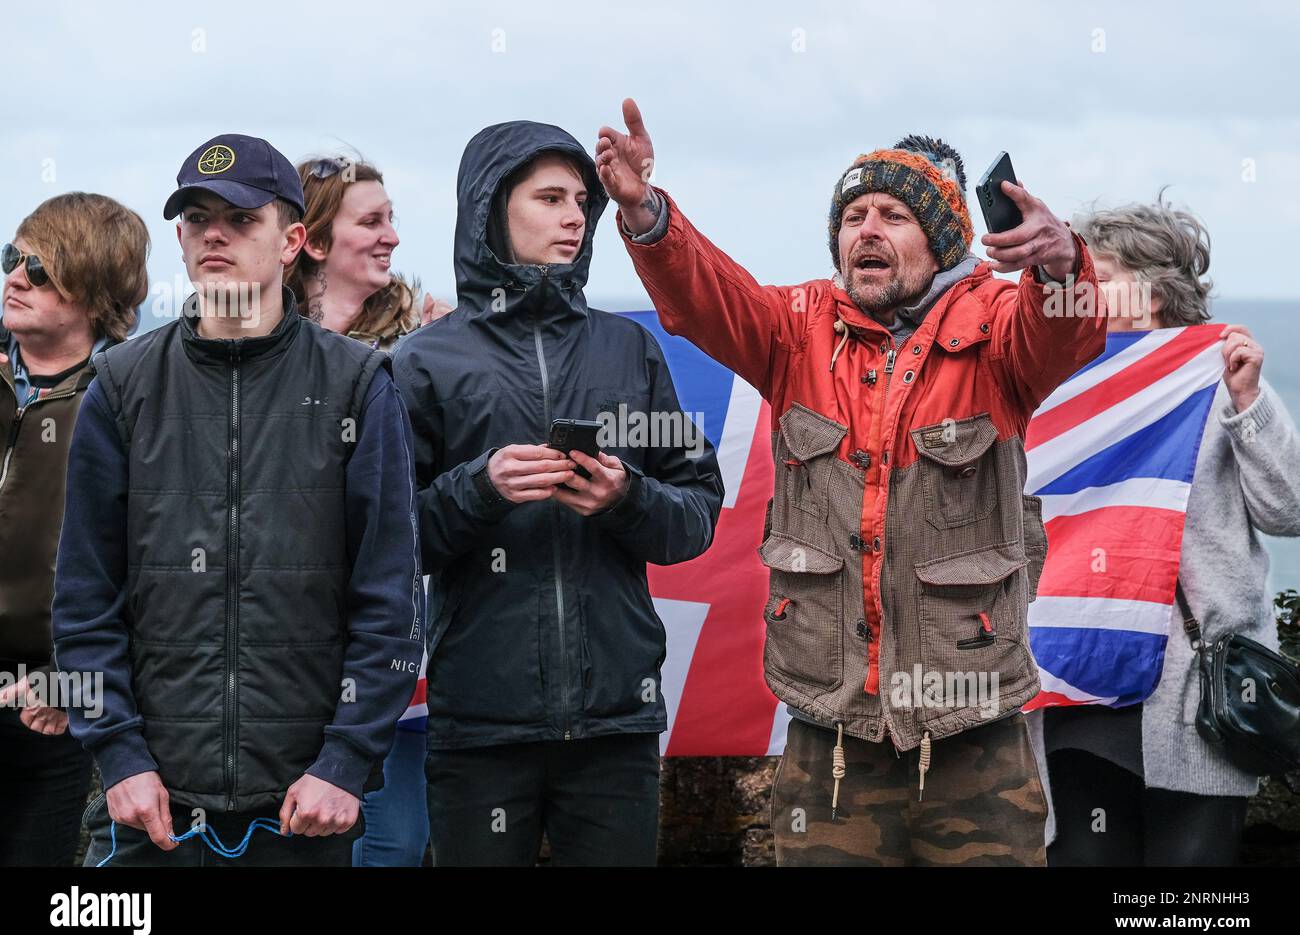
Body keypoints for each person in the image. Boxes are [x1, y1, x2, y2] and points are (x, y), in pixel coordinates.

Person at [597, 98, 1105, 866]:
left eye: (894, 215)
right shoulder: (793, 329)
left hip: (974, 738)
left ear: (940, 243)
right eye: (853, 215)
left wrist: (1063, 261)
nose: (866, 229)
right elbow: (704, 297)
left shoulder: (1000, 330)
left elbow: (1066, 328)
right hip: (831, 741)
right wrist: (646, 215)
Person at [53, 133, 424, 866]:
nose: (213, 233)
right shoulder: (121, 386)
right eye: (196, 217)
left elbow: (390, 596)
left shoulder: (358, 383)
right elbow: (83, 598)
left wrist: (345, 765)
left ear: (292, 242)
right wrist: (121, 757)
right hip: (150, 806)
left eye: (240, 217)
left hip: (305, 809)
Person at [392, 120, 723, 867]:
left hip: (617, 724)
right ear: (490, 208)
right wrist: (480, 489)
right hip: (480, 724)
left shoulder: (628, 349)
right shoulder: (424, 362)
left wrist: (627, 497)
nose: (575, 215)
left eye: (582, 199)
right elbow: (385, 541)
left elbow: (698, 512)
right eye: (549, 198)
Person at [1027, 194, 1300, 866]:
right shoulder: (1052, 392)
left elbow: (1288, 509)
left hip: (1188, 694)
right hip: (1075, 684)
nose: (1082, 295)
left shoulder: (1216, 378)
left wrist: (1248, 406)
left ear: (1154, 291)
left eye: (1103, 278)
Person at [288, 153, 432, 866]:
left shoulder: (426, 349)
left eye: (391, 220)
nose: (392, 238)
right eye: (370, 222)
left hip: (392, 647)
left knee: (396, 846)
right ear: (312, 241)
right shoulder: (256, 350)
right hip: (289, 651)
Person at [0, 193, 149, 865]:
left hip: (54, 705)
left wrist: (69, 682)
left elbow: (152, 568)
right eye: (12, 257)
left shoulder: (130, 402)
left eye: (39, 268)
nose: (13, 277)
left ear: (95, 294)